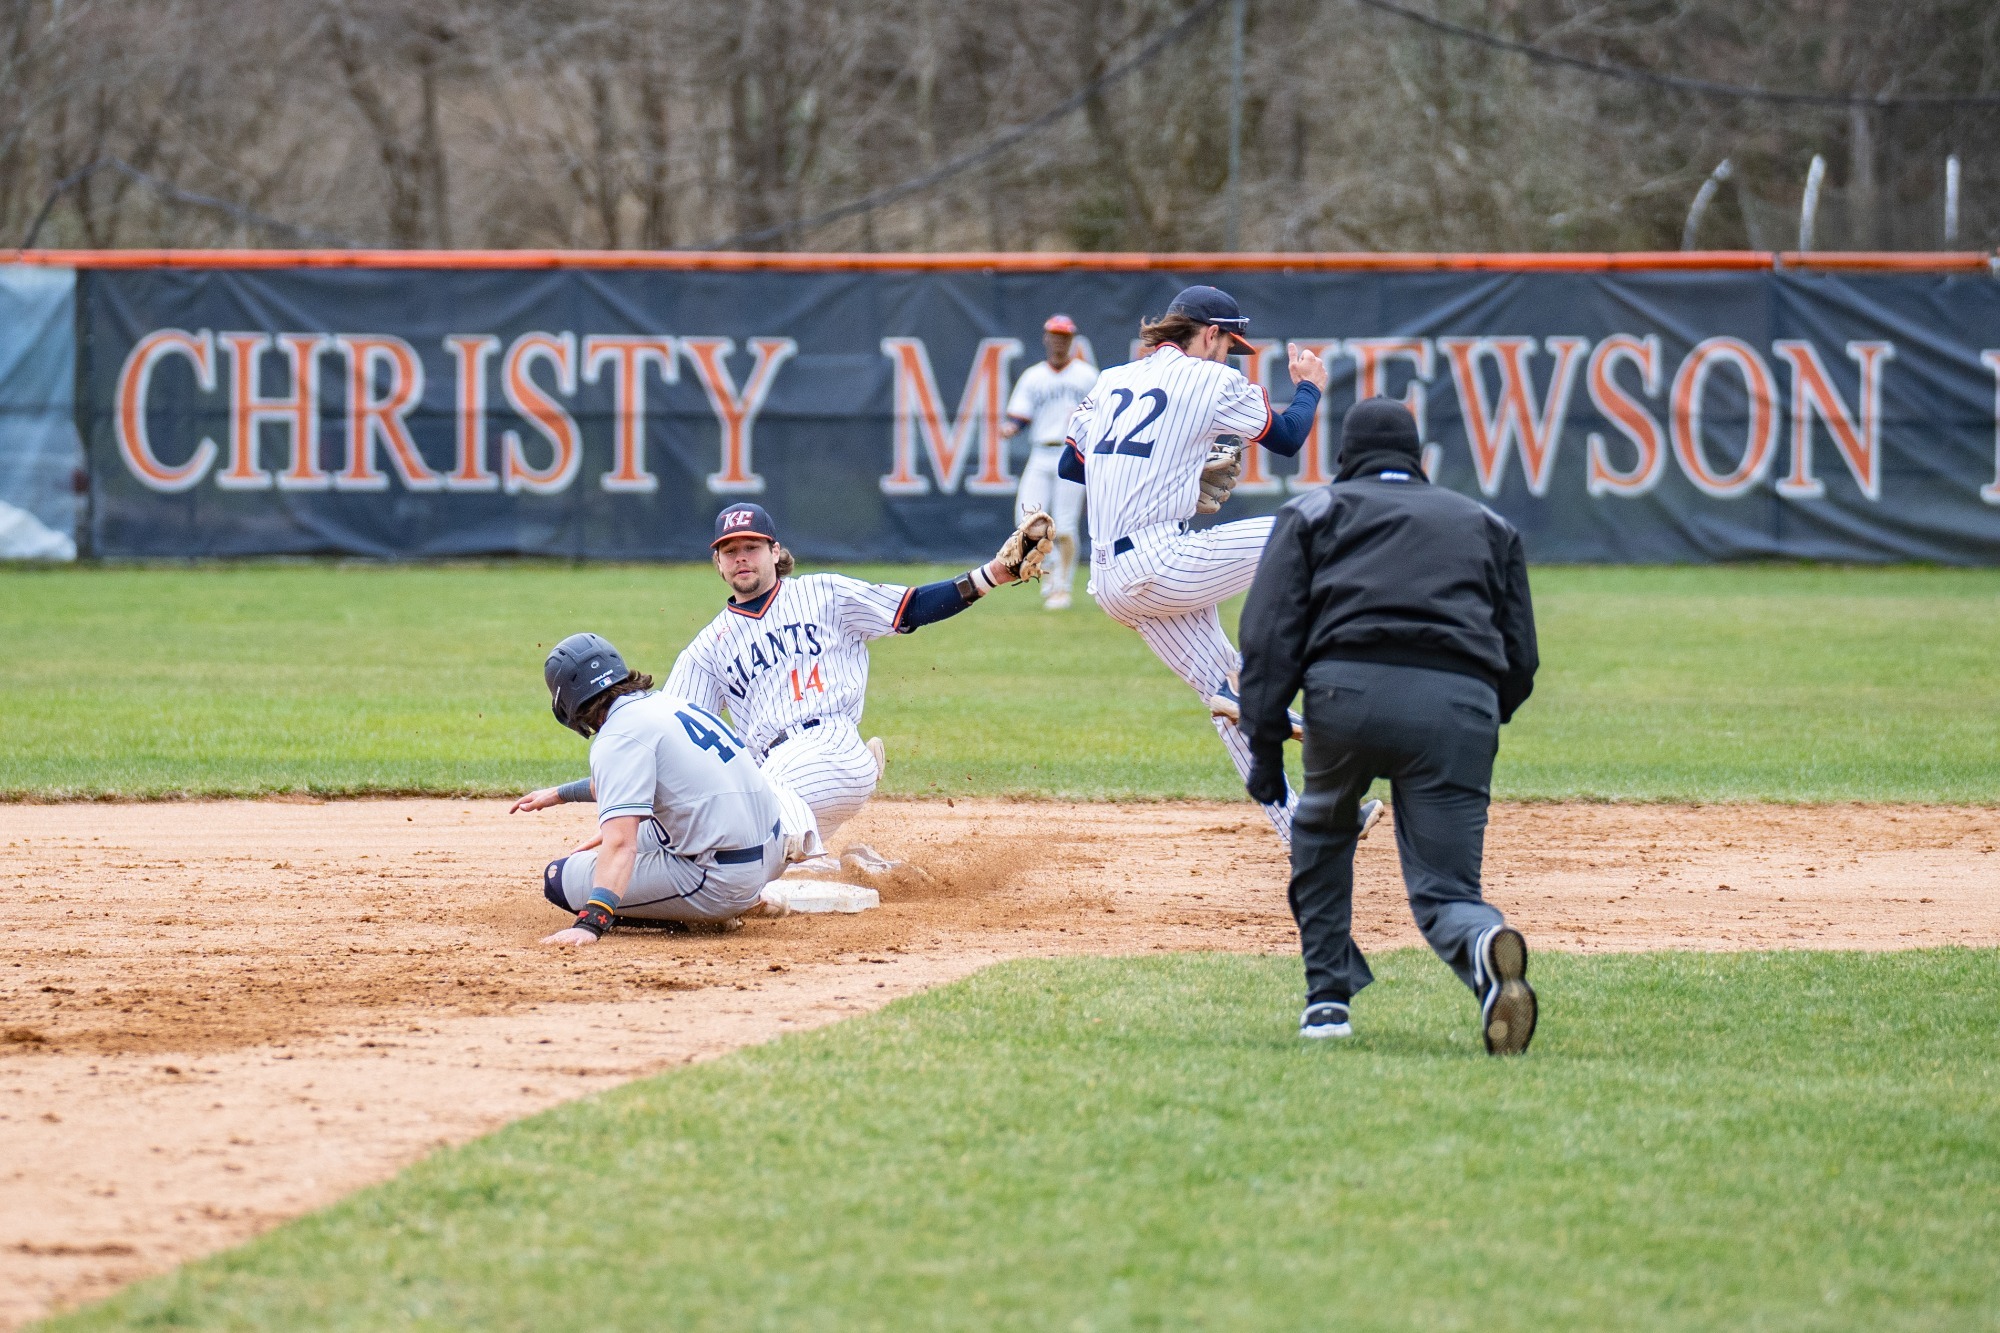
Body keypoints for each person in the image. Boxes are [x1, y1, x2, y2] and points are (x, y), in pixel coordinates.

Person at [513, 502, 1053, 874]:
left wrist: (992, 575)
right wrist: (598, 803)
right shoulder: (708, 647)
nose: (741, 557)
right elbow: (663, 747)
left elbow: (911, 606)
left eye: (752, 546)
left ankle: (817, 867)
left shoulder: (824, 593)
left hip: (830, 746)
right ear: (718, 563)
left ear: (775, 551)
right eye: (730, 550)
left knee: (759, 801)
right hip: (784, 776)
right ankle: (860, 868)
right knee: (735, 856)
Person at [1236, 397, 1541, 1054]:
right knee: (1446, 887)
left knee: (1321, 832)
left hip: (1348, 692)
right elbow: (1523, 656)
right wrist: (1483, 715)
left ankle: (1326, 1003)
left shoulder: (1314, 511)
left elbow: (1267, 638)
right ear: (1419, 458)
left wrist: (1263, 749)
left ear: (1344, 459)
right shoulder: (1486, 522)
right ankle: (1482, 941)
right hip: (1460, 704)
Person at [1058, 284, 1379, 846]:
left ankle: (1303, 830)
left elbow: (1071, 466)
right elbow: (1286, 437)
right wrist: (1309, 388)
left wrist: (1169, 469)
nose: (1230, 355)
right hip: (1161, 561)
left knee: (1223, 697)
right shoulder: (1210, 378)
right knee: (1308, 528)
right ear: (1209, 333)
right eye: (1229, 344)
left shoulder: (1111, 379)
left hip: (1111, 580)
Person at [530, 632, 820, 944]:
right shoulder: (667, 704)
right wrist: (561, 794)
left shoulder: (616, 738)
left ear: (567, 702)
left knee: (559, 879)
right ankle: (738, 898)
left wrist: (592, 922)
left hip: (721, 879)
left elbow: (620, 845)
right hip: (772, 849)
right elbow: (624, 781)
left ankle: (705, 913)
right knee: (642, 838)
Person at [1003, 314, 1097, 610]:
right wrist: (1010, 428)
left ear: (1071, 340)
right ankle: (1053, 572)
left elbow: (1101, 417)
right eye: (1054, 335)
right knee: (1026, 522)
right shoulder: (1034, 376)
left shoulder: (1087, 375)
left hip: (1072, 453)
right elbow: (1019, 415)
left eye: (1064, 336)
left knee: (1066, 526)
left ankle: (1062, 588)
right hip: (1041, 452)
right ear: (1046, 339)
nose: (1058, 340)